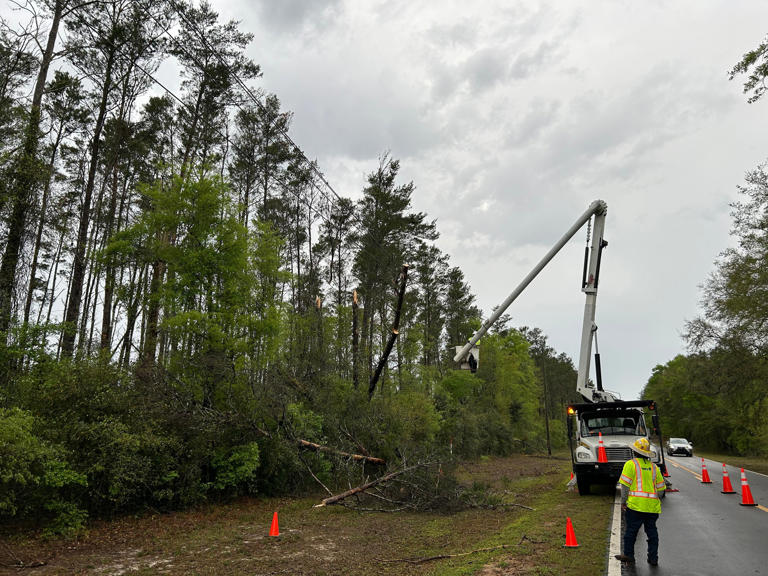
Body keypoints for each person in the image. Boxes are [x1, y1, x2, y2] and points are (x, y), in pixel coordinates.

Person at [614, 437, 666, 567]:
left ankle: (629, 556)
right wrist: (653, 498)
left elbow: (625, 486)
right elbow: (661, 490)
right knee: (652, 533)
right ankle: (653, 558)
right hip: (652, 508)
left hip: (635, 507)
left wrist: (624, 502)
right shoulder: (654, 467)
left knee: (631, 533)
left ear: (634, 452)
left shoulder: (630, 464)